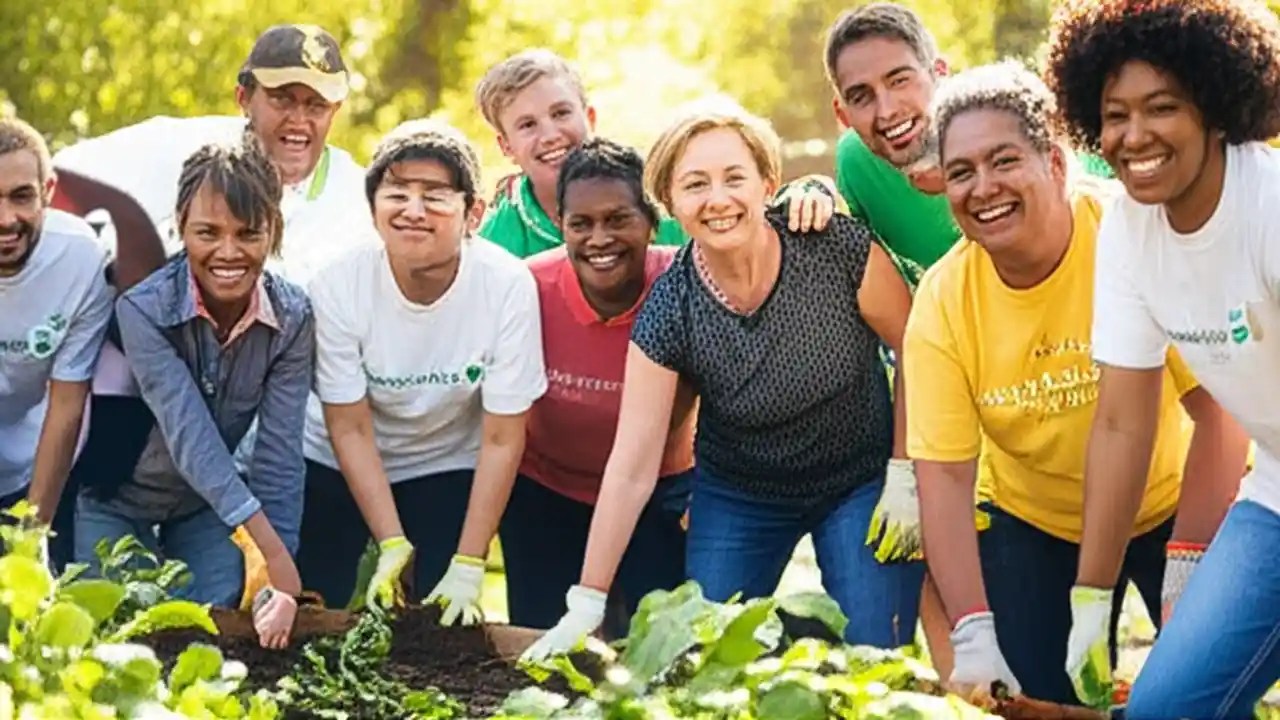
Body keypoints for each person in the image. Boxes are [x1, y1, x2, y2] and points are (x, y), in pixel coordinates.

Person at [523, 96, 920, 661]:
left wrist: (905, 473)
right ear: (670, 204)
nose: (718, 200)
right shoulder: (670, 309)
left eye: (735, 177)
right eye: (695, 185)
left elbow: (916, 347)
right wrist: (587, 601)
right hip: (742, 494)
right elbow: (632, 464)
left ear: (767, 181)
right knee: (707, 659)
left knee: (876, 654)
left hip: (858, 480)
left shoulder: (835, 248)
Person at [904, 61, 1247, 707]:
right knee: (1036, 701)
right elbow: (946, 476)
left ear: (1056, 163)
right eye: (961, 172)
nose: (983, 187)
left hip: (1171, 497)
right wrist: (973, 628)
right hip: (1036, 520)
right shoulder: (945, 300)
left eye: (1004, 160)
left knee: (1205, 689)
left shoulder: (1136, 236)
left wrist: (1191, 561)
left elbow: (1218, 413)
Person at [1043, 0, 1280, 715]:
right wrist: (1092, 594)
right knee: (1162, 708)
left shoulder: (1268, 208)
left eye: (1161, 108)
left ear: (1214, 108)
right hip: (1274, 493)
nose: (1134, 135)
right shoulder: (1126, 230)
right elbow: (1121, 424)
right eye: (1116, 114)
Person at [298, 119, 546, 621]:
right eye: (397, 193)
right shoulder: (338, 284)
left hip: (443, 458)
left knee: (439, 623)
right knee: (313, 606)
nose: (413, 211)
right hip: (332, 459)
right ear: (373, 209)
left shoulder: (506, 286)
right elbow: (349, 425)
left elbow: (502, 438)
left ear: (472, 212)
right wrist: (391, 542)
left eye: (434, 195)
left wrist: (471, 561)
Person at [76, 138, 313, 650]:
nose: (228, 252)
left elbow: (279, 455)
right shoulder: (143, 310)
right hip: (117, 498)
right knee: (123, 638)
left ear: (273, 231)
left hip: (205, 508)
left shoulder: (293, 318)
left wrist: (280, 575)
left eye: (249, 233)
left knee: (212, 640)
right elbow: (191, 437)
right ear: (181, 227)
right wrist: (273, 556)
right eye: (208, 232)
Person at [501, 138, 694, 632]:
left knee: (658, 645)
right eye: (580, 224)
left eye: (618, 219)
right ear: (560, 226)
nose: (599, 238)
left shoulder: (688, 281)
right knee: (544, 644)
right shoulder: (527, 288)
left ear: (651, 222)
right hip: (548, 491)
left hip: (664, 490)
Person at [475, 48, 838, 259]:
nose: (550, 134)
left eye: (561, 113)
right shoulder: (500, 236)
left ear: (590, 117)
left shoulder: (652, 190)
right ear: (506, 146)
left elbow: (739, 208)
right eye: (527, 125)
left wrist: (810, 190)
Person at [0, 117, 112, 561]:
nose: (6, 219)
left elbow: (67, 405)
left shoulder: (81, 259)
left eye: (21, 197)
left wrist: (31, 538)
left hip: (33, 461)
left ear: (47, 191)